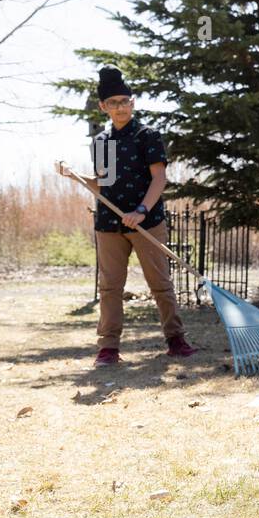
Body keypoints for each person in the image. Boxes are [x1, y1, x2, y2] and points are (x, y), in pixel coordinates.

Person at [80, 66, 196, 366]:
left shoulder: (148, 136)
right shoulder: (101, 142)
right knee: (109, 287)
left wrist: (141, 211)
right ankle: (108, 348)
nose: (119, 107)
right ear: (103, 107)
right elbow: (104, 183)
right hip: (109, 223)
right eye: (112, 103)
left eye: (124, 101)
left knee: (160, 283)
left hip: (147, 221)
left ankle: (175, 339)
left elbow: (159, 179)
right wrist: (75, 176)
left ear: (132, 102)